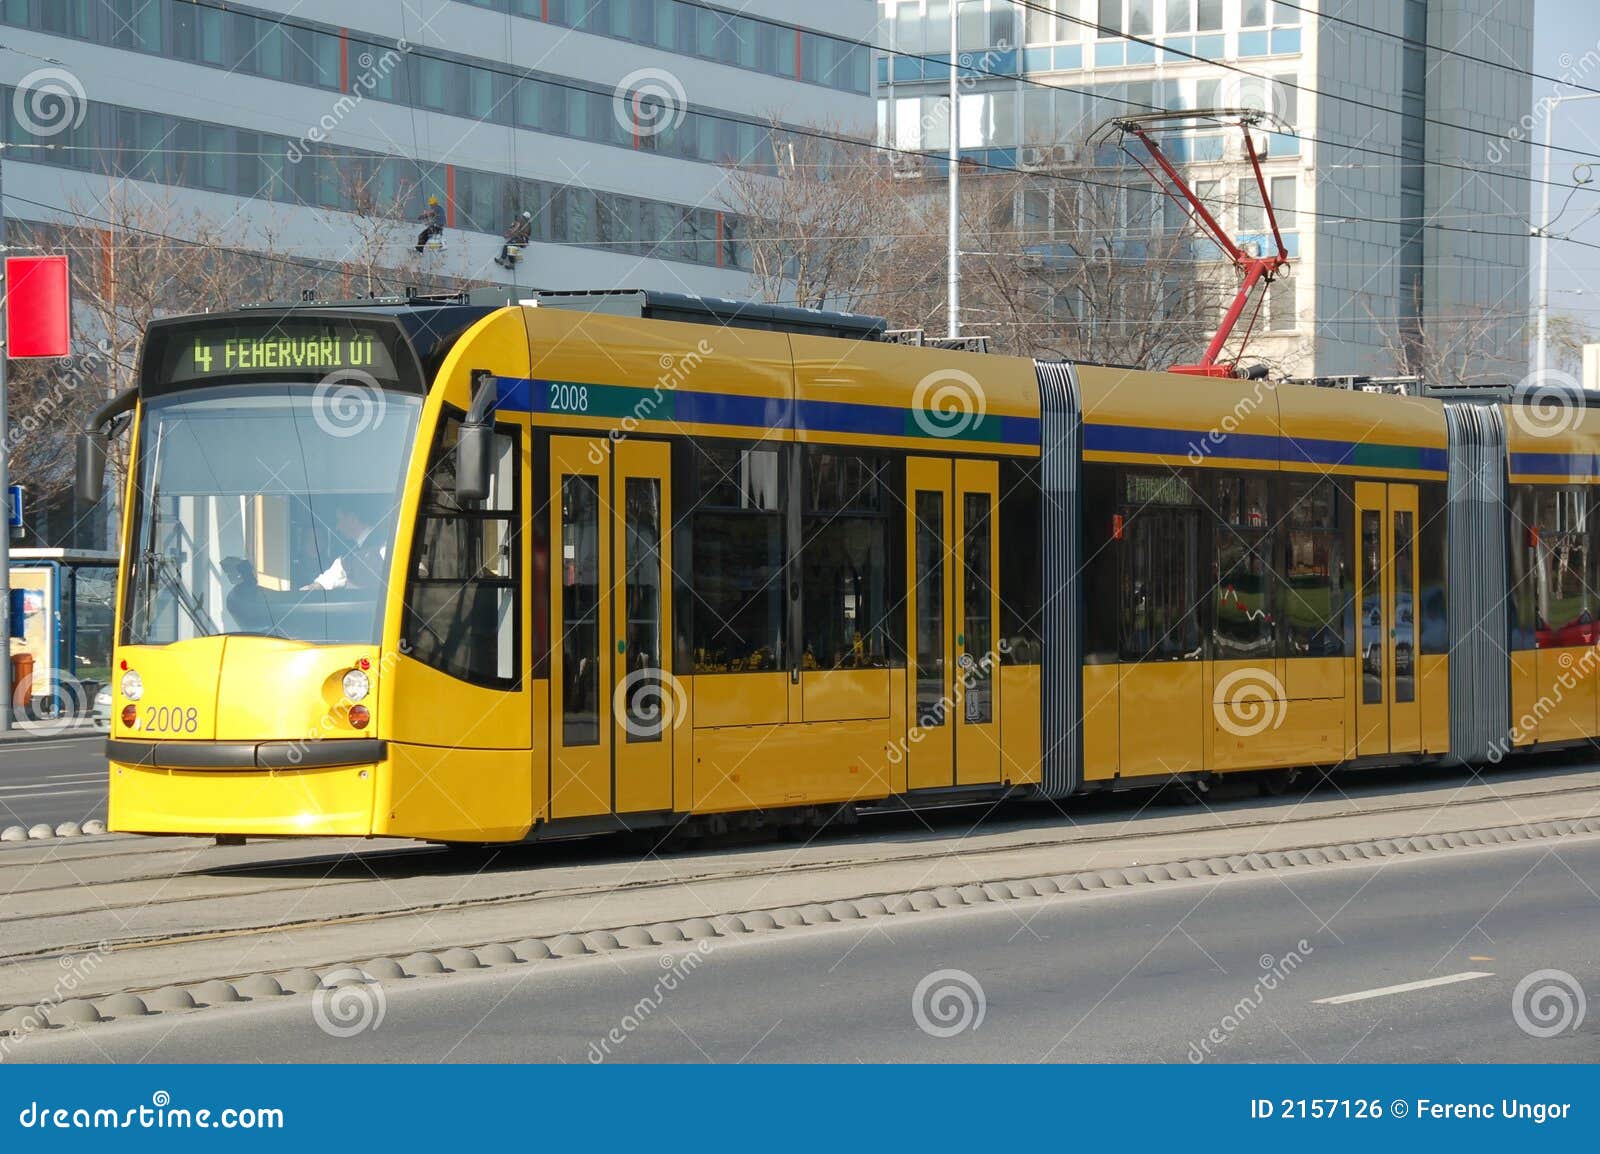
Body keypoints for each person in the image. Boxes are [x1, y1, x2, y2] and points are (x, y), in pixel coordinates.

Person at [304, 507, 384, 592]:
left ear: (352, 519)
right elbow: (332, 576)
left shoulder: (384, 545)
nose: (338, 527)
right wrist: (314, 586)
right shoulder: (351, 552)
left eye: (340, 520)